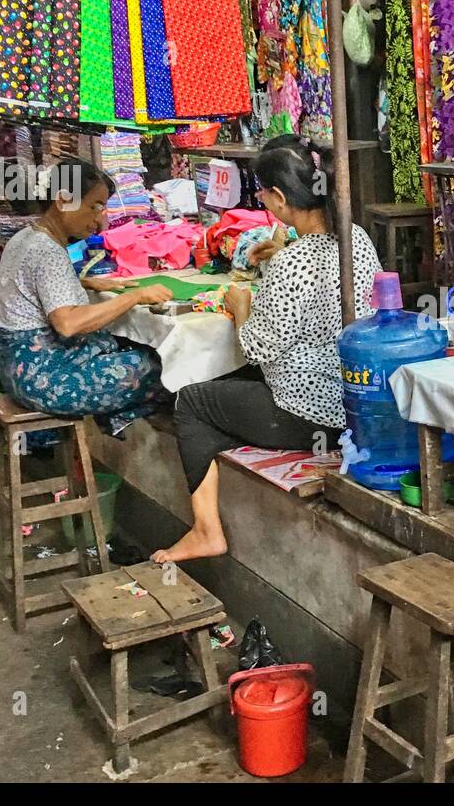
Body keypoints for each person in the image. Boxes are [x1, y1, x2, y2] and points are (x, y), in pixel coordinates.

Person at [152, 136, 382, 563]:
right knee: (226, 397)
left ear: (278, 197)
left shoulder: (291, 263)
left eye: (261, 192)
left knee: (191, 402)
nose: (260, 199)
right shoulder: (356, 238)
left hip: (303, 415)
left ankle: (206, 531)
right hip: (352, 407)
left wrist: (241, 307)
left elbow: (257, 347)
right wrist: (283, 256)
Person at [0, 156, 172, 431]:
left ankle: (116, 417)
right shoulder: (47, 251)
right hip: (44, 382)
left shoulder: (25, 237)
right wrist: (134, 296)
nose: (100, 218)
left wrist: (82, 283)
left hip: (14, 372)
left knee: (128, 348)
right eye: (95, 207)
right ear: (64, 201)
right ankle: (118, 420)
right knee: (163, 366)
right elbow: (69, 324)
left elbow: (30, 286)